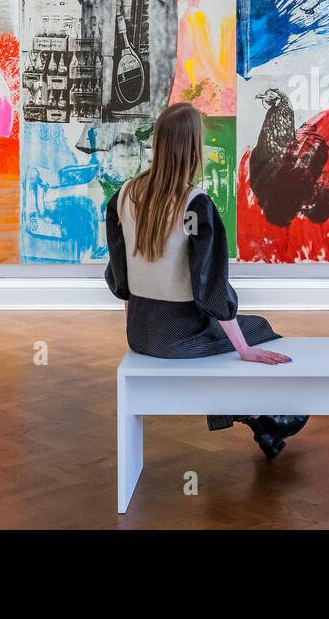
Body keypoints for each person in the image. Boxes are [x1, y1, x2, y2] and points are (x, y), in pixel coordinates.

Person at [105, 102, 308, 459]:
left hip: (139, 330)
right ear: (193, 147)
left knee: (231, 338)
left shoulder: (122, 196)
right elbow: (211, 291)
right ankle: (263, 414)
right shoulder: (195, 204)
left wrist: (134, 329)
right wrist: (244, 350)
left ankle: (263, 425)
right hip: (178, 336)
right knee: (257, 328)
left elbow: (121, 279)